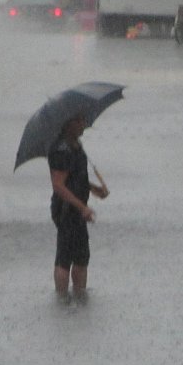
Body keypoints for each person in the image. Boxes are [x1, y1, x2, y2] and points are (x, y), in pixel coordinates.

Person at [48, 114, 109, 301]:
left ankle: (80, 295)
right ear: (69, 124)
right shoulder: (61, 150)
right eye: (79, 121)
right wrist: (82, 207)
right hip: (66, 210)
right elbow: (58, 184)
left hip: (77, 209)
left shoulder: (76, 146)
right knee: (65, 257)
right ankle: (62, 299)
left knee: (82, 256)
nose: (84, 125)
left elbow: (76, 179)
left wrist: (95, 189)